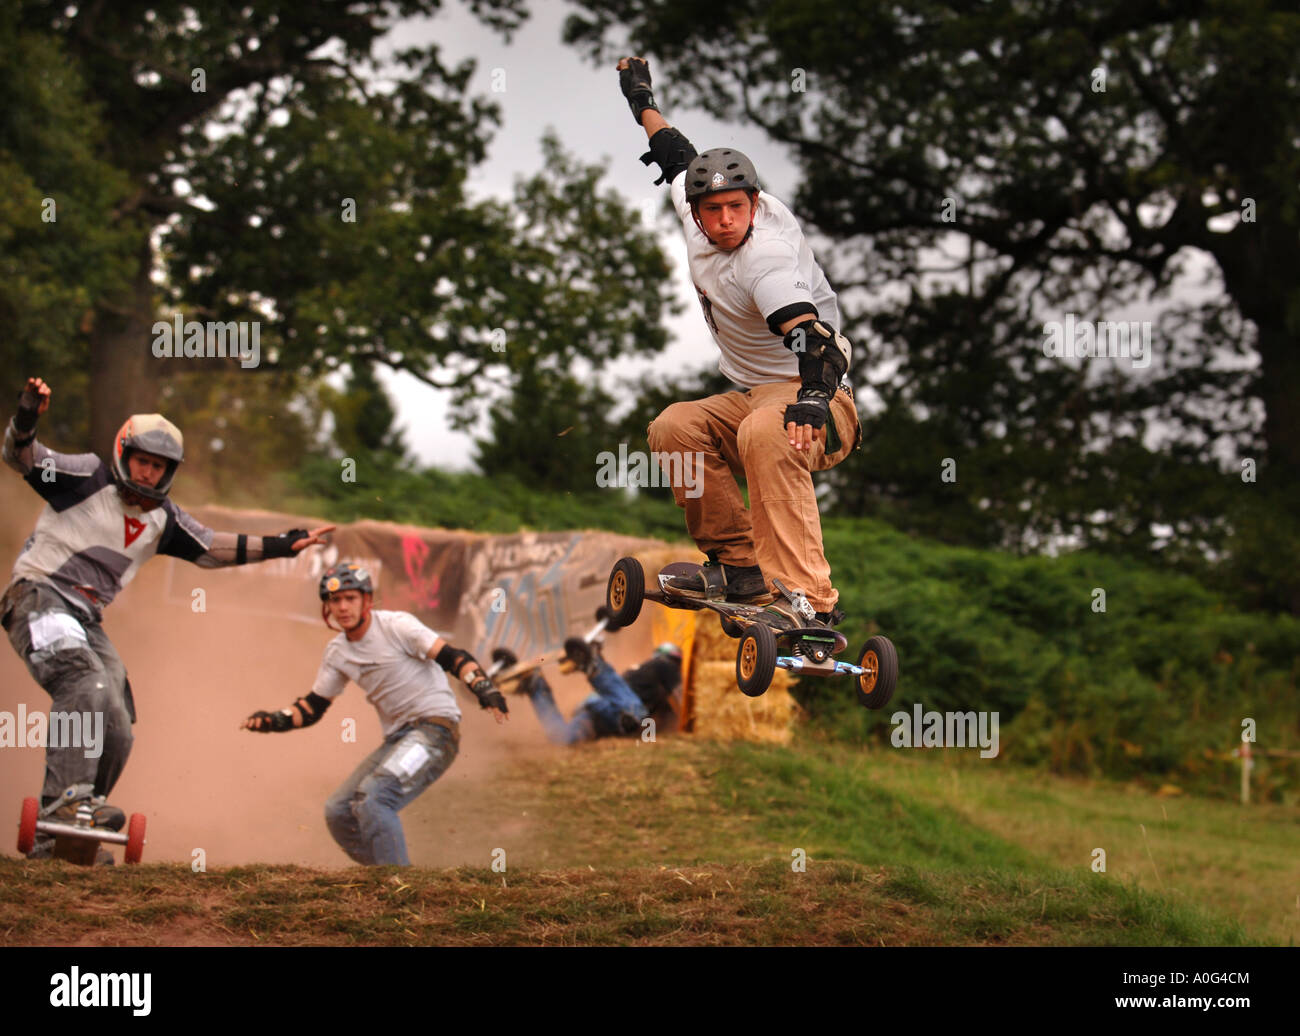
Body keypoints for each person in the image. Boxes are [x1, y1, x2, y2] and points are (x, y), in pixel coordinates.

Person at [1, 376, 332, 860]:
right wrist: (29, 412)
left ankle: (77, 828)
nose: (149, 474)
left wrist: (284, 544)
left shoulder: (166, 521)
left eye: (159, 467)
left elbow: (215, 548)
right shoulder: (87, 477)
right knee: (85, 682)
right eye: (143, 462)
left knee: (117, 719)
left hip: (86, 621)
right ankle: (62, 806)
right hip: (37, 597)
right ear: (123, 454)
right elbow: (21, 457)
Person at [617, 57, 862, 629]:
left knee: (764, 430)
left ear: (755, 203)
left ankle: (805, 598)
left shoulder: (766, 258)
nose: (726, 221)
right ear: (696, 212)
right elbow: (675, 150)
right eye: (713, 211)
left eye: (737, 208)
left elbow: (816, 340)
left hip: (821, 399)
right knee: (675, 426)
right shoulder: (693, 202)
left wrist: (811, 398)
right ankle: (738, 566)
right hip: (754, 393)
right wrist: (640, 96)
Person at [241, 561, 509, 866]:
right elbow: (312, 708)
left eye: (350, 598)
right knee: (338, 812)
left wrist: (482, 686)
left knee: (374, 798)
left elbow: (453, 657)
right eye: (335, 600)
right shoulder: (337, 653)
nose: (342, 607)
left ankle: (396, 887)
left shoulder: (397, 626)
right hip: (398, 739)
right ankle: (382, 877)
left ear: (367, 600)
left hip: (437, 731)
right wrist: (275, 720)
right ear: (327, 607)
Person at [518, 637, 682, 746]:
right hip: (618, 707)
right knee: (636, 715)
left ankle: (535, 687)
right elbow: (680, 697)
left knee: (564, 740)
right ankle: (595, 666)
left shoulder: (639, 673)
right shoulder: (665, 665)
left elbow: (664, 720)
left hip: (597, 712)